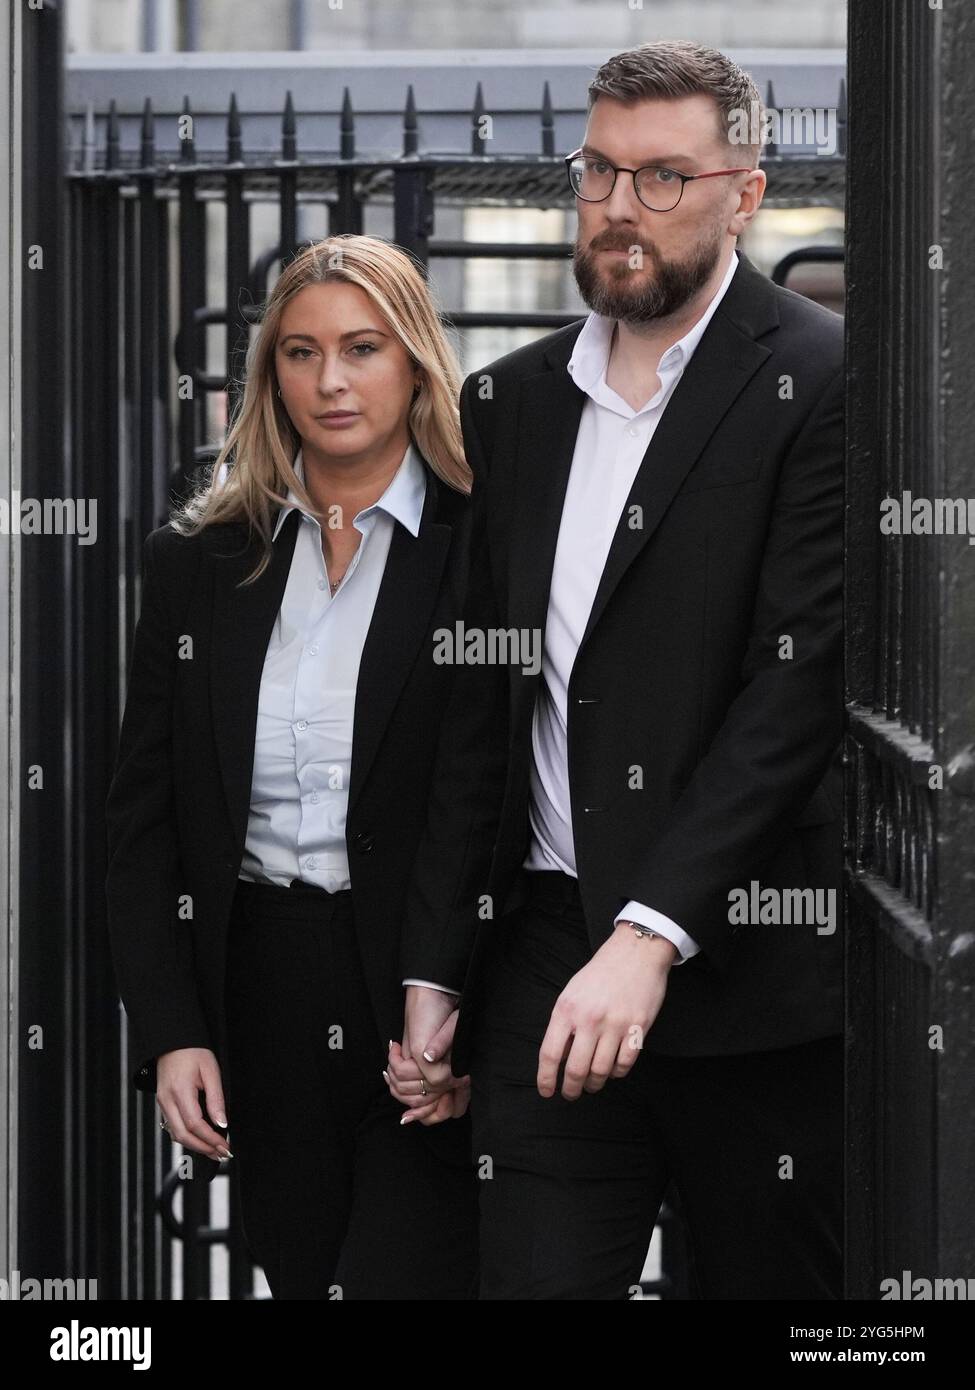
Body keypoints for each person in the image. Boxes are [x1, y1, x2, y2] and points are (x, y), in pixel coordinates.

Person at [387, 40, 846, 1300]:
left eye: (660, 177)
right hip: (543, 952)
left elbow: (794, 691)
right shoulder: (514, 400)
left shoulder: (822, 375)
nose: (617, 209)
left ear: (743, 193)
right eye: (597, 172)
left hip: (747, 969)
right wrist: (437, 973)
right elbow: (484, 709)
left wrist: (653, 933)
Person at [106, 234, 478, 1299]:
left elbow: (492, 796)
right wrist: (174, 1032)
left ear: (414, 361)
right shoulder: (199, 561)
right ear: (270, 374)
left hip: (426, 995)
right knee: (305, 1275)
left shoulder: (482, 549)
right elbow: (145, 823)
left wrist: (457, 995)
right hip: (261, 989)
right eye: (301, 352)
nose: (331, 380)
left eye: (362, 347)